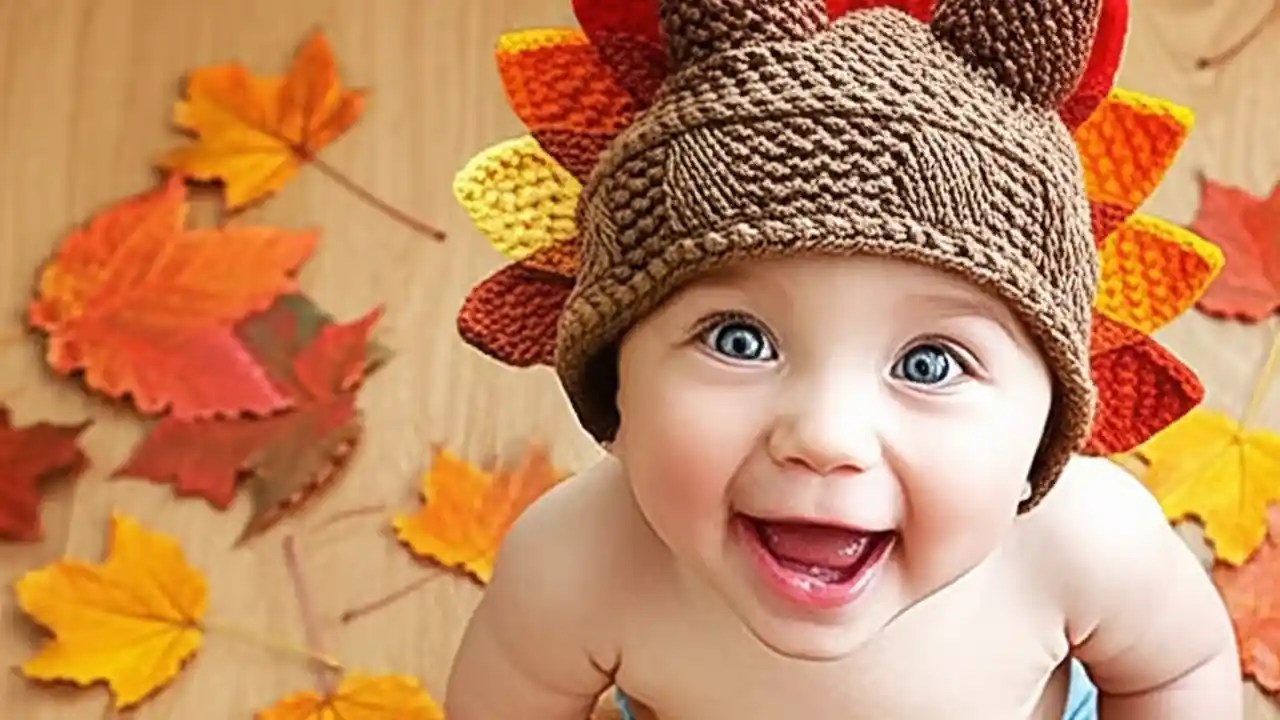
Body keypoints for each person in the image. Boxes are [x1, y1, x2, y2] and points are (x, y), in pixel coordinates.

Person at [444, 0, 1243, 717]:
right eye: (738, 340)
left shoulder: (1086, 545)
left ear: (1047, 427)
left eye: (931, 362)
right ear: (613, 377)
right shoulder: (576, 562)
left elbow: (1178, 671)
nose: (825, 436)